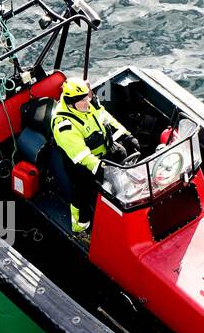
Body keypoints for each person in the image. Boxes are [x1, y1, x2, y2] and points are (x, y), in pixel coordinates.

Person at [50, 79, 139, 235]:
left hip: (103, 151)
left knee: (123, 153)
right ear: (71, 102)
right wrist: (101, 169)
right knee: (82, 191)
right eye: (83, 100)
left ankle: (125, 197)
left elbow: (106, 118)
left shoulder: (88, 105)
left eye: (87, 97)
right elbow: (82, 155)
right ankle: (80, 226)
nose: (87, 102)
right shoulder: (64, 125)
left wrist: (126, 135)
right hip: (81, 163)